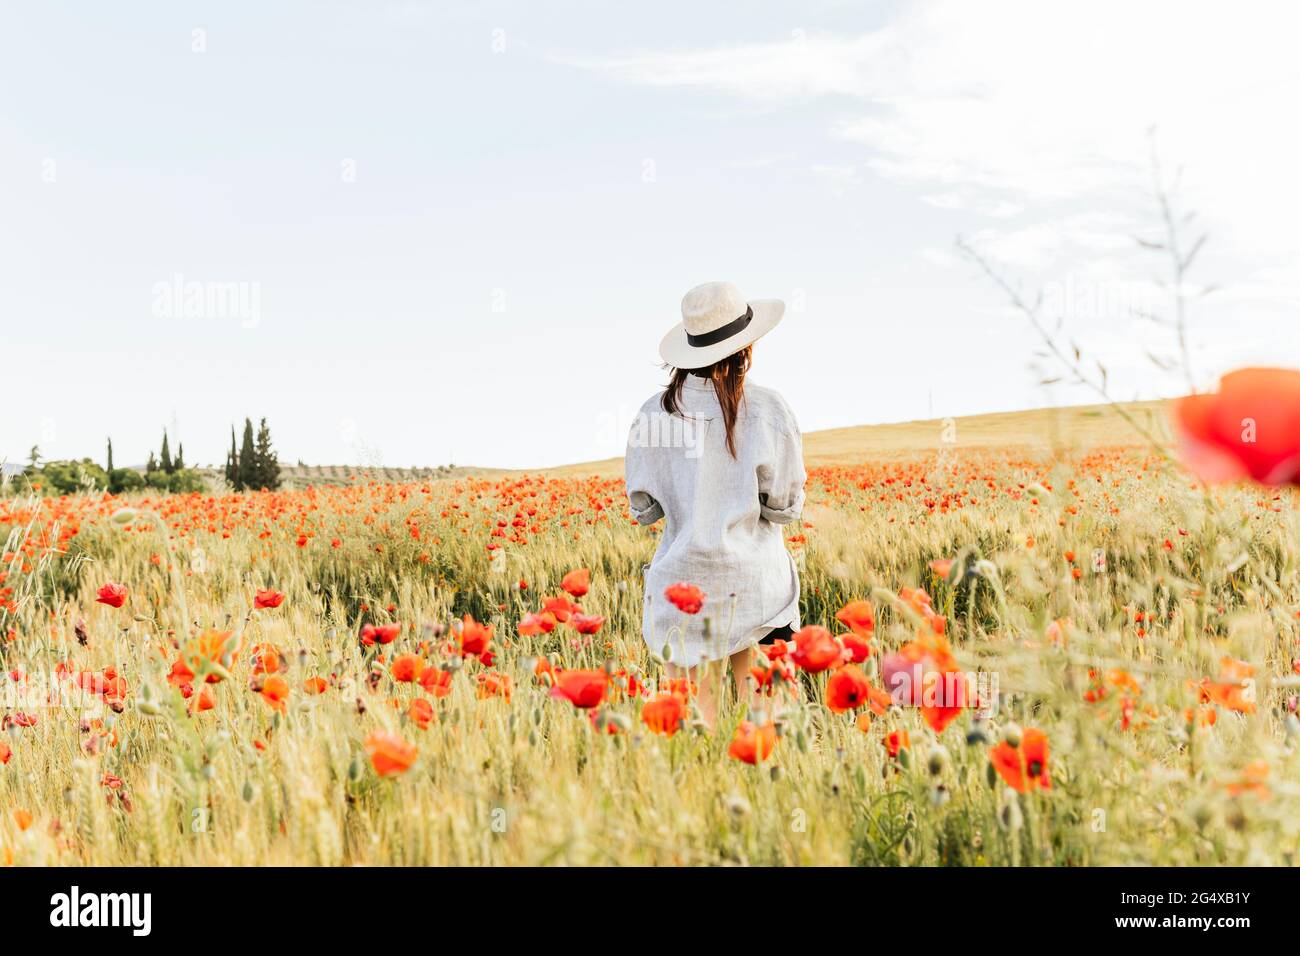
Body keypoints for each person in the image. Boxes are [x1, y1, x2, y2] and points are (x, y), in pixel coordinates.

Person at [625, 280, 806, 729]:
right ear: (745, 347)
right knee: (769, 730)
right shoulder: (768, 409)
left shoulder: (652, 414)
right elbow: (784, 506)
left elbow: (645, 510)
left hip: (682, 592)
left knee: (692, 730)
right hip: (758, 592)